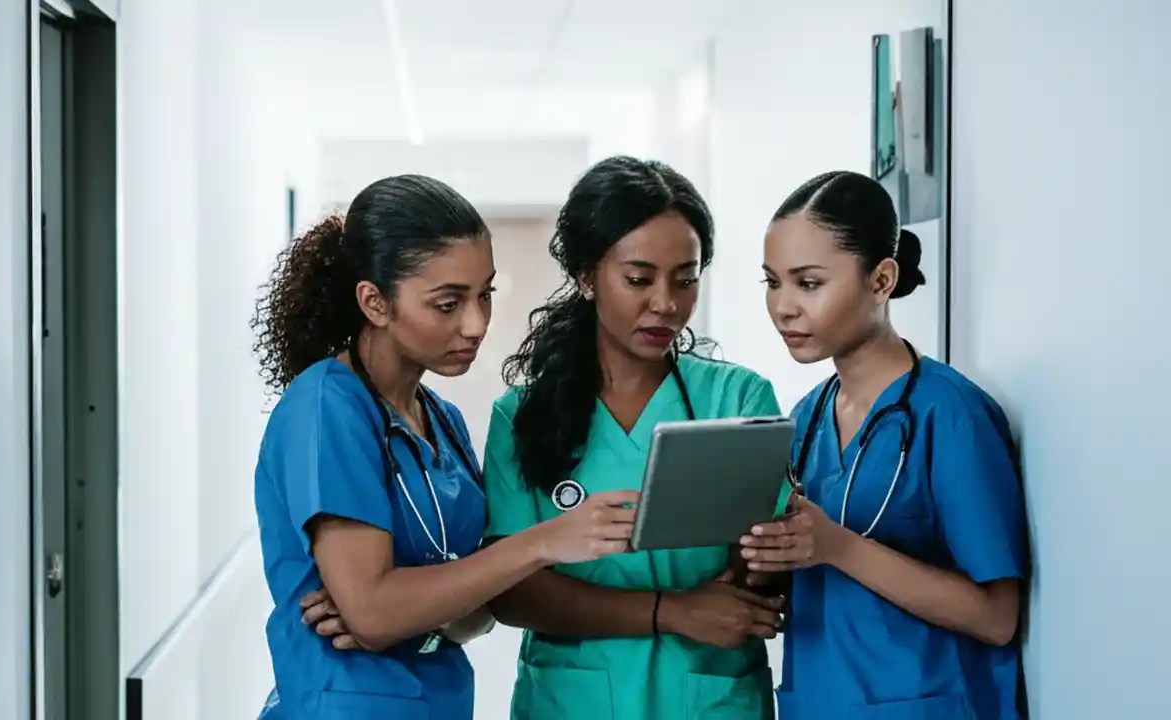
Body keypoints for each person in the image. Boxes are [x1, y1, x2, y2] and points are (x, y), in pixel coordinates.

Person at [251, 174, 640, 719]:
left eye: (485, 295)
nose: (476, 323)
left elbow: (479, 610)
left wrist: (416, 609)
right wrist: (540, 544)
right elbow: (376, 612)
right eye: (447, 303)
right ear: (374, 302)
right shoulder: (326, 408)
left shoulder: (444, 420)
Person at [482, 156, 787, 720]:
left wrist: (765, 563)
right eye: (639, 279)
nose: (666, 304)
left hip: (710, 696)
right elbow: (511, 591)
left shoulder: (738, 401)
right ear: (585, 275)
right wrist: (671, 611)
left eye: (686, 278)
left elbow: (764, 569)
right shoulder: (520, 416)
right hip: (575, 700)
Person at [743, 170, 1027, 719]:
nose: (783, 306)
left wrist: (837, 547)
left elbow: (996, 617)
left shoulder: (949, 414)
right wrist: (763, 561)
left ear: (880, 281)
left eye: (808, 282)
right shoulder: (805, 419)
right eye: (772, 282)